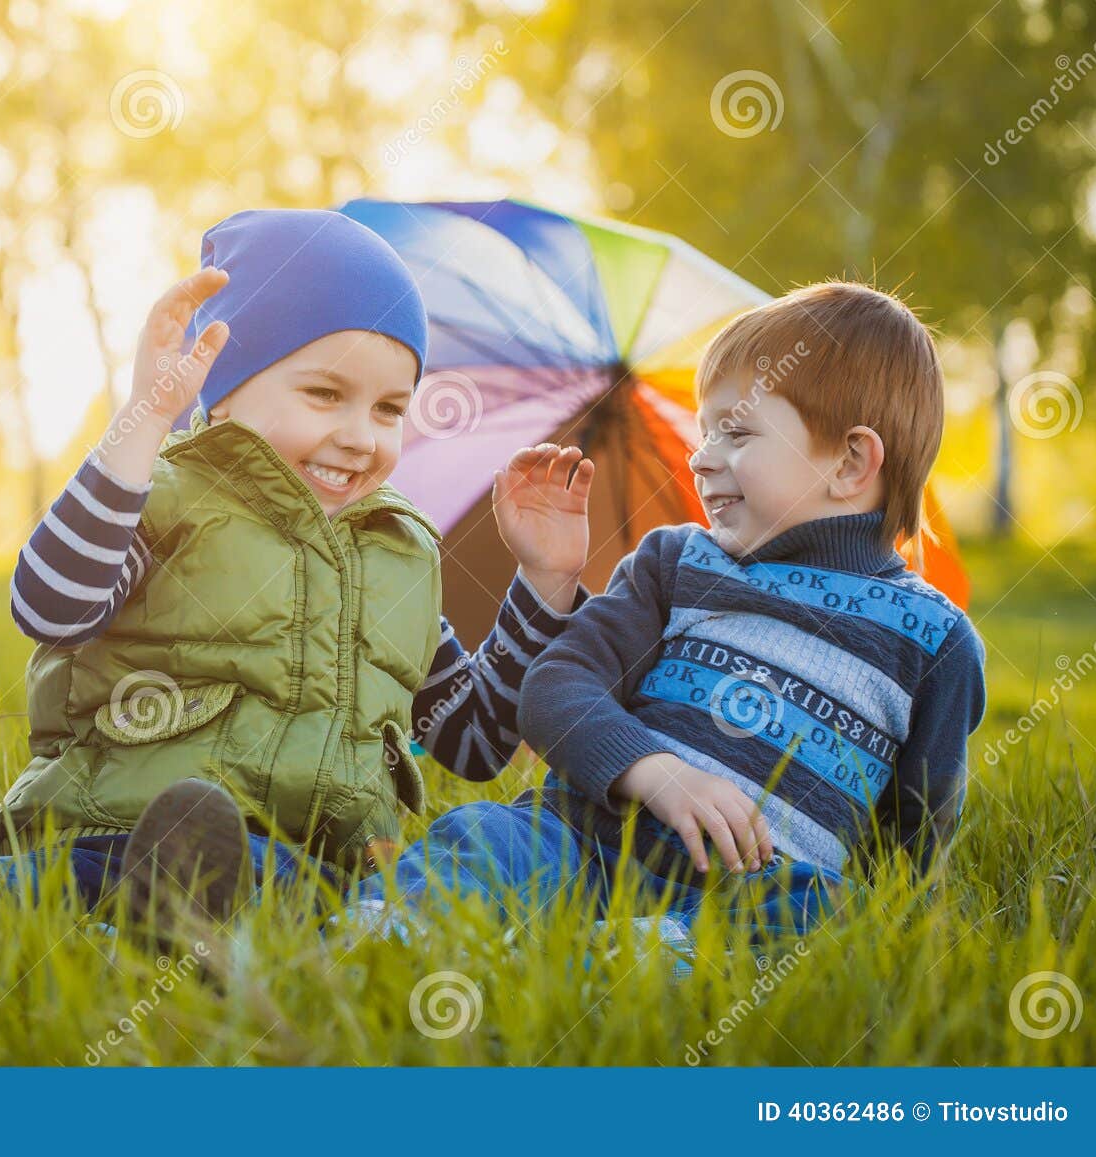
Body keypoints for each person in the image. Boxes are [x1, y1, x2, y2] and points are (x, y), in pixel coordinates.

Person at [0, 208, 595, 929]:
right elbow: (53, 606)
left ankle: (173, 938)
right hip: (107, 834)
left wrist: (545, 583)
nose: (359, 435)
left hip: (300, 872)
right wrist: (143, 423)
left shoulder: (396, 555)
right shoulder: (165, 498)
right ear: (222, 384)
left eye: (390, 408)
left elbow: (473, 741)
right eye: (325, 394)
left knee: (292, 900)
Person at [343, 281, 988, 946]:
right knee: (491, 836)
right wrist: (653, 769)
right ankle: (385, 930)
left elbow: (911, 840)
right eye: (705, 432)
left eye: (735, 432)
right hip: (588, 837)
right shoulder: (678, 564)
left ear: (851, 462)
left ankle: (649, 952)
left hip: (753, 882)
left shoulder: (936, 642)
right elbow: (555, 688)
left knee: (832, 913)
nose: (701, 456)